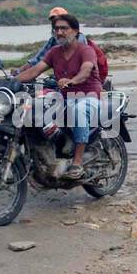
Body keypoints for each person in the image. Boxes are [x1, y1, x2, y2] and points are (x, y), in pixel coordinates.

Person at [14, 13, 104, 180]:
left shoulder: (86, 50)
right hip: (64, 97)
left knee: (78, 111)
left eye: (64, 28)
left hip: (89, 96)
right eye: (56, 29)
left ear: (75, 31)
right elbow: (35, 70)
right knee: (34, 108)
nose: (60, 32)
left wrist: (72, 80)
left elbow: (85, 71)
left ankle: (77, 163)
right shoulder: (54, 52)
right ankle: (49, 149)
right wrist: (10, 82)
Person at [24, 6, 89, 68]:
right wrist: (17, 73)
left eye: (63, 27)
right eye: (53, 20)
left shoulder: (79, 39)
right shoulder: (53, 40)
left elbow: (82, 66)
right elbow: (38, 59)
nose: (56, 22)